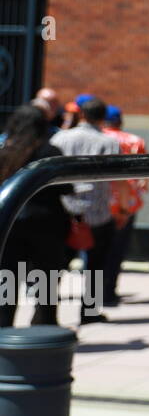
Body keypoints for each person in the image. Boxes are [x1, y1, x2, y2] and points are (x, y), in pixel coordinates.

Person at [0, 106, 72, 328]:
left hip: (9, 222)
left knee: (7, 282)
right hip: (46, 224)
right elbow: (66, 187)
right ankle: (45, 326)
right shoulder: (49, 152)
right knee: (48, 281)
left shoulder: (5, 151)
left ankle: (3, 328)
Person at [51, 96, 120, 325]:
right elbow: (117, 179)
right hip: (97, 213)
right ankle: (89, 311)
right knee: (96, 266)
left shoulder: (60, 138)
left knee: (56, 265)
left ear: (81, 114)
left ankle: (46, 312)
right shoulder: (109, 142)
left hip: (65, 210)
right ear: (103, 117)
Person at [101, 105, 149, 308]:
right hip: (126, 205)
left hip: (98, 205)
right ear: (120, 121)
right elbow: (143, 179)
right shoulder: (135, 141)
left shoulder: (98, 138)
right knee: (116, 251)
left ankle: (92, 296)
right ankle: (109, 292)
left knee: (94, 253)